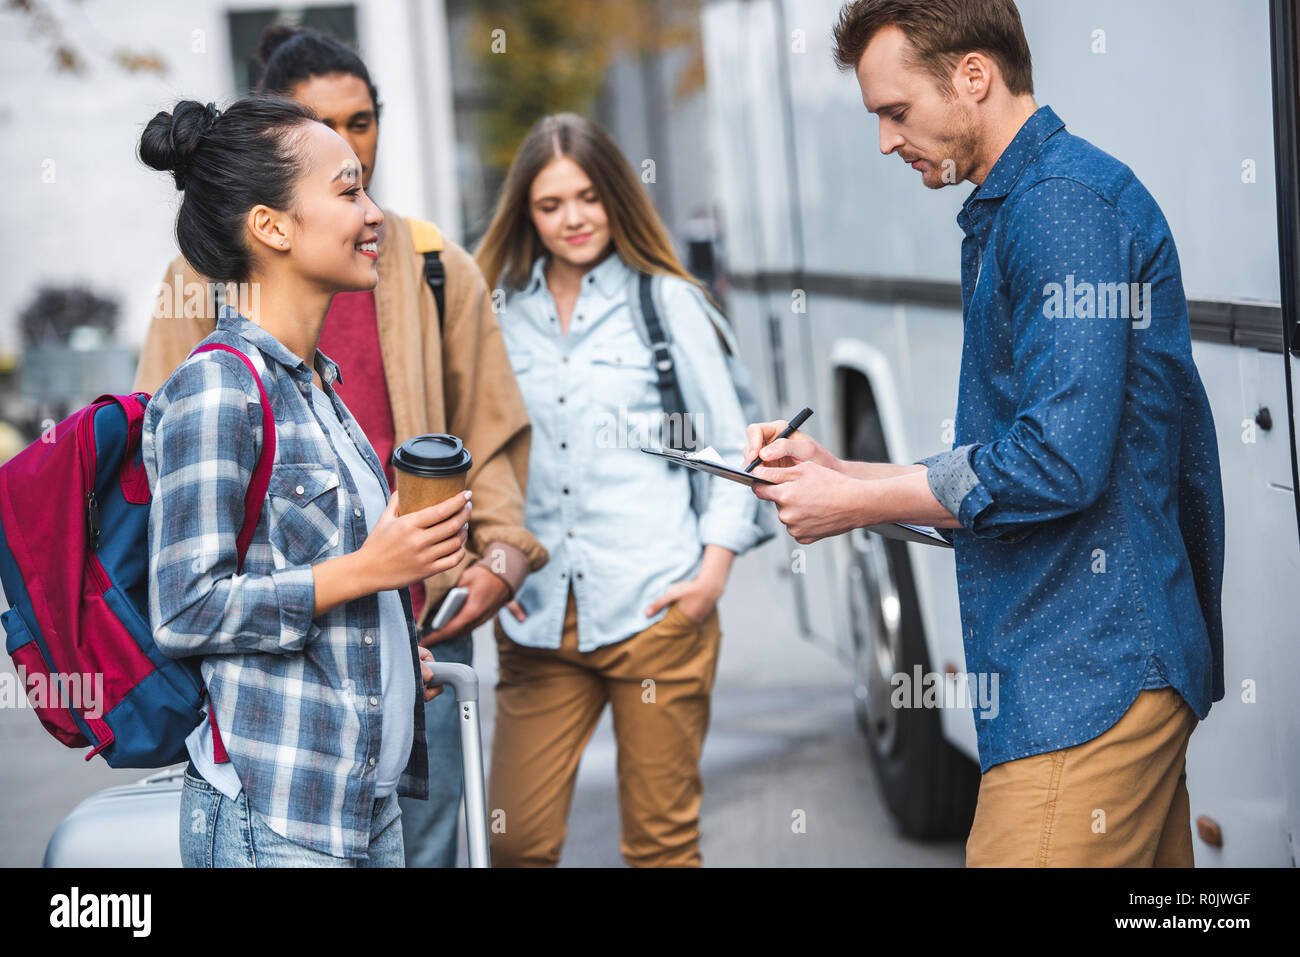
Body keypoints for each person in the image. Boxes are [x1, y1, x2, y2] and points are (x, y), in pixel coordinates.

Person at [744, 0, 1225, 866]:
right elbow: (1031, 448)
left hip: (1085, 682)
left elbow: (1057, 462)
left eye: (896, 111)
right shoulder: (1036, 201)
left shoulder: (1058, 209)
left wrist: (851, 507)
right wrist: (836, 469)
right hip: (1100, 671)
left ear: (974, 75)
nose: (888, 141)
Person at [132, 25, 546, 868]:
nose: (372, 212)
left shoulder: (316, 382)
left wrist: (398, 645)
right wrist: (371, 570)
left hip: (358, 799)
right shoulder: (219, 384)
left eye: (365, 176)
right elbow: (184, 608)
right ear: (272, 228)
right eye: (347, 192)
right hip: (284, 818)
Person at [474, 113, 767, 866]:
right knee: (514, 843)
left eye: (588, 197)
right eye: (549, 204)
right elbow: (480, 449)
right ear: (527, 214)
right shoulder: (497, 313)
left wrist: (710, 576)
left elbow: (732, 449)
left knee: (661, 849)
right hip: (539, 622)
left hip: (656, 610)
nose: (572, 218)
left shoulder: (666, 303)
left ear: (615, 198)